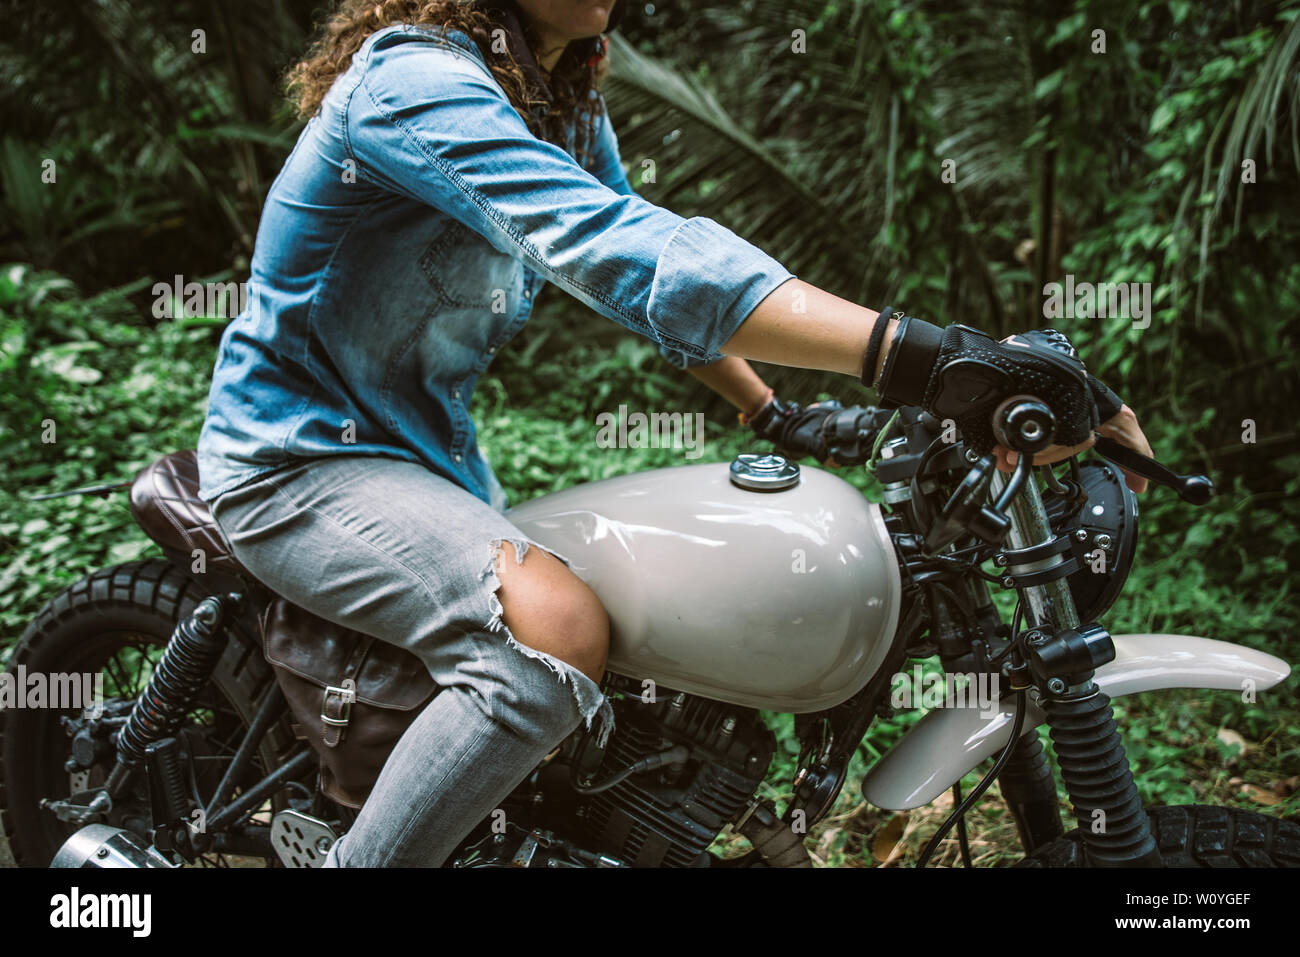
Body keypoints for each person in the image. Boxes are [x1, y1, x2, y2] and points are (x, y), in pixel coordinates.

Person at [196, 0, 1153, 867]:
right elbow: (612, 250)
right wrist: (925, 358)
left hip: (432, 462)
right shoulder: (413, 85)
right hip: (298, 462)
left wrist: (769, 410)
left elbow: (637, 255)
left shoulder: (559, 104)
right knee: (554, 632)